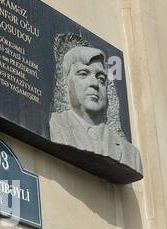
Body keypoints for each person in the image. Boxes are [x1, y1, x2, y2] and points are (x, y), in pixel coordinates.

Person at [48, 33, 142, 173]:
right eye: (83, 74)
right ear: (66, 82)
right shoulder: (54, 126)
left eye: (101, 78)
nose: (95, 84)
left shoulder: (130, 154)